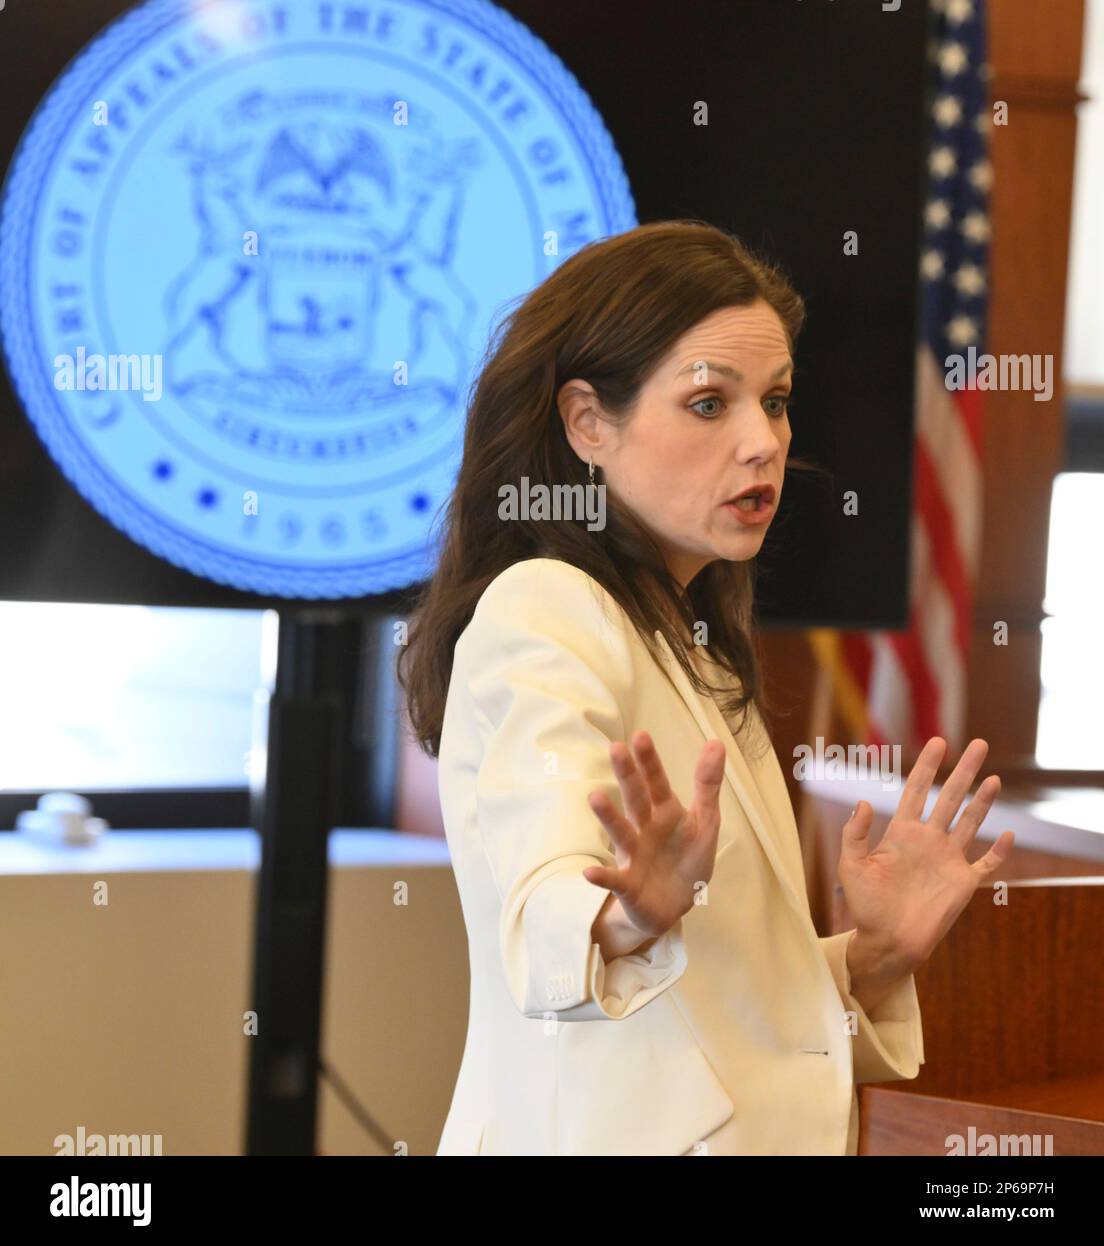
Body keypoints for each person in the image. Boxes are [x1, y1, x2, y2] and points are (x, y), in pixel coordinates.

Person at [397, 219, 1014, 1156]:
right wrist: (629, 908)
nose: (762, 442)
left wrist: (880, 953)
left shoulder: (689, 642)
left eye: (775, 401)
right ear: (587, 423)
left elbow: (725, 1010)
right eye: (708, 404)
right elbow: (547, 909)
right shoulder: (545, 606)